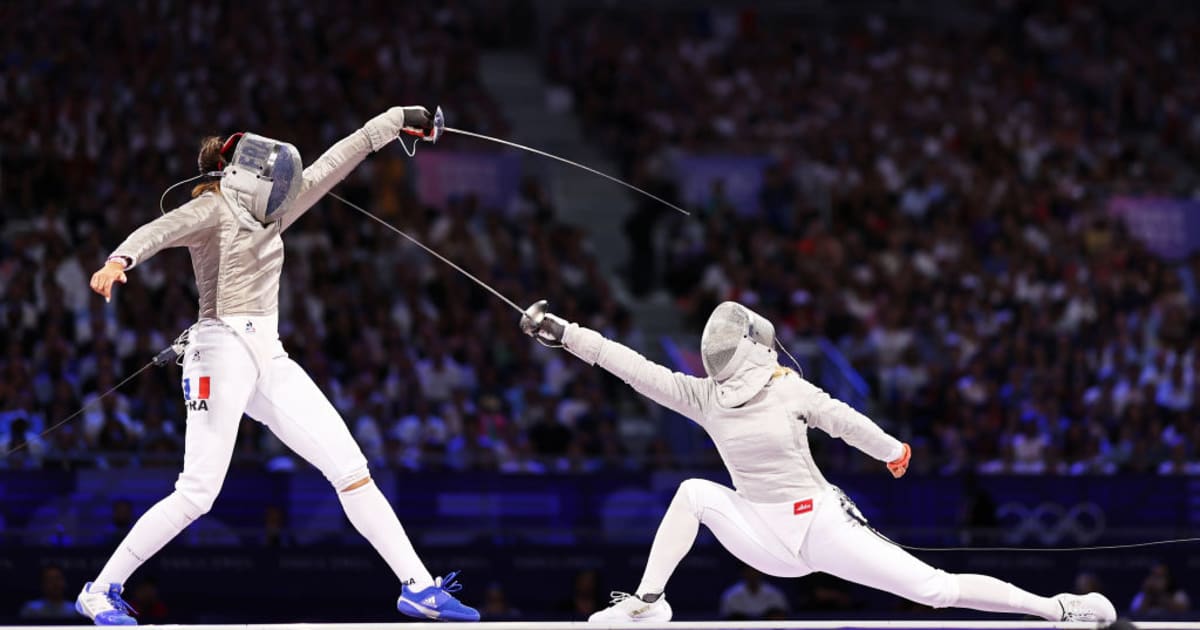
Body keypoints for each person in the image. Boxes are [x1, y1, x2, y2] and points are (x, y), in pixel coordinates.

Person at [78, 108, 478, 625]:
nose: (284, 187)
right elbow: (156, 230)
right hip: (219, 351)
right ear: (241, 174)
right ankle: (101, 589)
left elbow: (341, 156)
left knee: (351, 470)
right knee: (198, 492)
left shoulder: (276, 211)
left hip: (268, 355)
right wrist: (118, 262)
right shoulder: (212, 210)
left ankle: (418, 587)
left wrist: (397, 119)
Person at [519, 300, 1117, 624]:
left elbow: (844, 422)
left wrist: (890, 449)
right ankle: (650, 605)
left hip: (816, 527)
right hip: (767, 534)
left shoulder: (767, 393)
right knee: (693, 493)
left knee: (933, 590)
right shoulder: (731, 395)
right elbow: (633, 367)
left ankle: (1057, 609)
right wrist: (564, 332)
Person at [719, 565, 790, 620]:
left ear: (761, 572)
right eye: (749, 571)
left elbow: (781, 618)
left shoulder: (775, 594)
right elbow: (727, 620)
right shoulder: (731, 595)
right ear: (743, 572)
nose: (752, 574)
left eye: (755, 571)